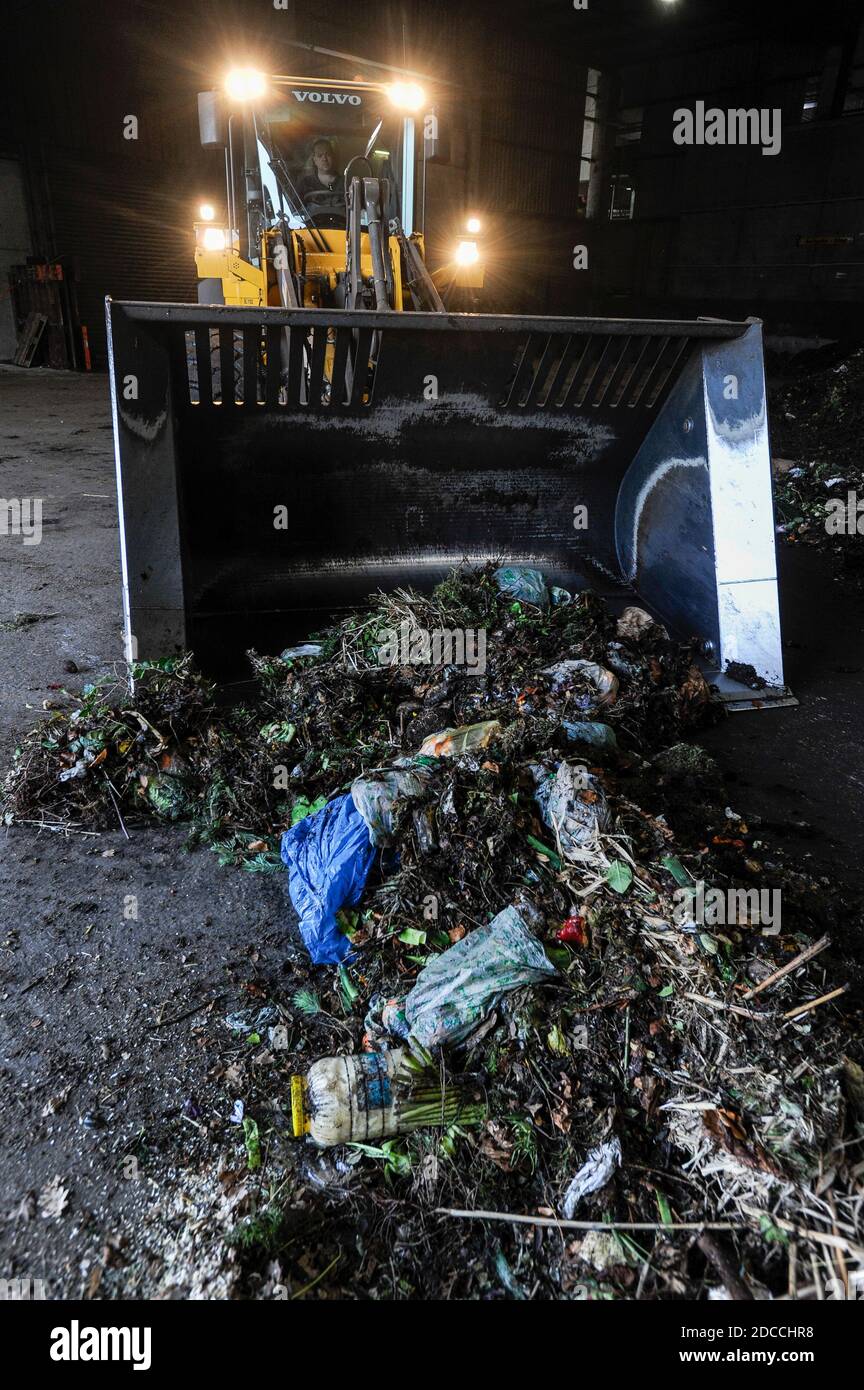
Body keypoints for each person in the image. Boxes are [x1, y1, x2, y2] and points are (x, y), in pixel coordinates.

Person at [297, 138, 344, 203]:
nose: (324, 159)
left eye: (327, 154)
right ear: (314, 160)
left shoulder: (345, 183)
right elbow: (296, 210)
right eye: (320, 155)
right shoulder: (306, 184)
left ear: (333, 156)